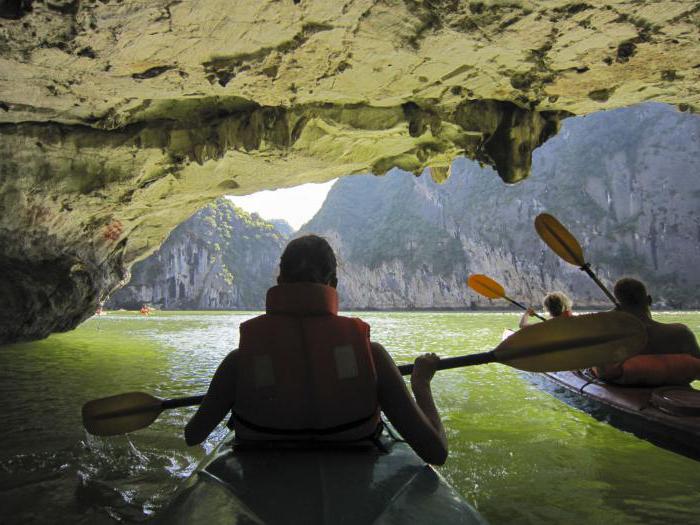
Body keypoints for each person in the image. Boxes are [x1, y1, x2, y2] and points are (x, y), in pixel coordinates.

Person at [185, 235, 448, 465]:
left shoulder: (239, 362)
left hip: (267, 480)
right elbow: (436, 453)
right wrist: (421, 383)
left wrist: (230, 396)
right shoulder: (372, 356)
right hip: (352, 485)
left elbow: (193, 435)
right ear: (333, 284)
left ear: (280, 281)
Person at [594, 277, 700, 384]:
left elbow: (602, 372)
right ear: (649, 300)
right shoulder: (681, 333)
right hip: (677, 393)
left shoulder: (613, 337)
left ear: (618, 306)